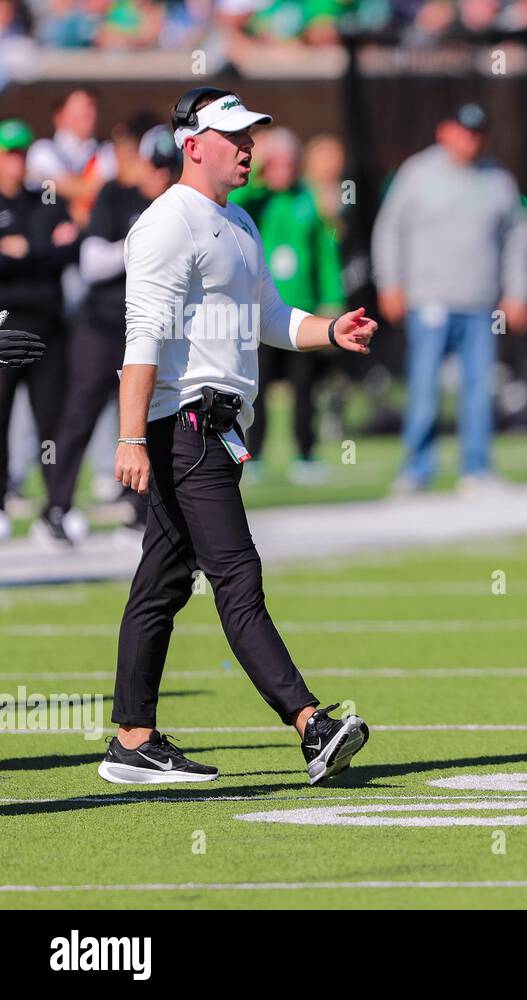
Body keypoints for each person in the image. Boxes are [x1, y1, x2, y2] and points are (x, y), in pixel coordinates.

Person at [101, 87, 377, 786]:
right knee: (237, 576)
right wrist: (130, 438)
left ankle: (132, 741)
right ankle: (310, 723)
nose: (249, 146)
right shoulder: (169, 223)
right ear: (193, 145)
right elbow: (142, 338)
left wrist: (330, 331)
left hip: (219, 428)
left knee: (161, 581)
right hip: (185, 428)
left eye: (252, 134)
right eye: (235, 136)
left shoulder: (241, 224)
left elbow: (271, 317)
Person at [371, 102, 527, 495]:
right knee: (425, 389)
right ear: (444, 132)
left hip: (480, 302)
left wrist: (518, 292)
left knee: (479, 390)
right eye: (463, 131)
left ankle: (476, 469)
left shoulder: (497, 178)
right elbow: (390, 230)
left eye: (477, 132)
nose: (470, 140)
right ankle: (417, 468)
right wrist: (390, 284)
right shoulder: (418, 173)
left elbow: (518, 238)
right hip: (428, 299)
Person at [37, 122, 178, 546]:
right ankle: (56, 506)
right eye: (156, 166)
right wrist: (143, 245)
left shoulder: (179, 206)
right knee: (79, 415)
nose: (162, 176)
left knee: (154, 419)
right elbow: (92, 261)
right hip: (103, 326)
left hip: (152, 332)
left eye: (169, 168)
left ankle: (140, 512)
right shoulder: (117, 196)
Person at [230, 126, 346, 484]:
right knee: (256, 388)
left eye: (288, 163)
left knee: (304, 387)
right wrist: (259, 168)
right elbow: (235, 203)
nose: (283, 170)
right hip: (258, 309)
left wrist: (332, 299)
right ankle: (256, 454)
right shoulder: (254, 199)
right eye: (275, 164)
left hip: (301, 312)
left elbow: (325, 254)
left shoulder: (307, 199)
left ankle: (306, 453)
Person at [0, 117, 79, 542]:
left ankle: (56, 508)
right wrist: (41, 250)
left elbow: (69, 249)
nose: (17, 162)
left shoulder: (44, 198)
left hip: (47, 325)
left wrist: (24, 250)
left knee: (53, 421)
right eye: (9, 153)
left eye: (21, 153)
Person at [24, 87, 115, 228]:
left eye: (92, 107)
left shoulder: (107, 151)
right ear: (60, 116)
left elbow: (104, 190)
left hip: (92, 236)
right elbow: (75, 187)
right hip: (46, 239)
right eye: (83, 110)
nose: (91, 114)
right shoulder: (43, 150)